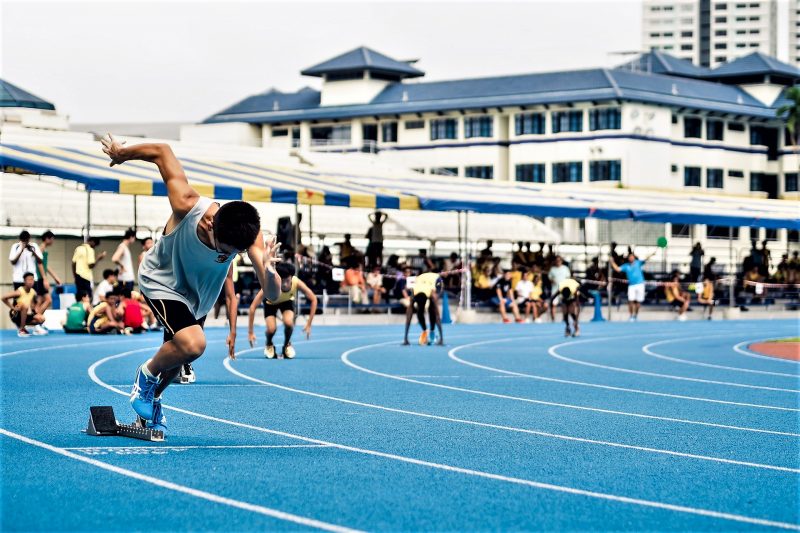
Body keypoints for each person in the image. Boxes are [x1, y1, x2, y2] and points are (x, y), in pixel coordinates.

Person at [101, 134, 281, 436]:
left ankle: (153, 398)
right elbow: (162, 151)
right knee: (194, 344)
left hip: (197, 296)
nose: (228, 255)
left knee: (178, 353)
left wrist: (271, 271)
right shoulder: (187, 204)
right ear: (211, 224)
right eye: (224, 249)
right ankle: (144, 375)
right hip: (161, 281)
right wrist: (123, 153)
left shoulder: (248, 236)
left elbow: (273, 295)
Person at [248, 262, 318, 359]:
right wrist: (250, 332)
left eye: (287, 280)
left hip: (287, 302)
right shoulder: (269, 284)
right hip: (270, 303)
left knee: (289, 323)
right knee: (271, 329)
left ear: (291, 278)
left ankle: (287, 345)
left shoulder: (296, 282)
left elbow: (314, 299)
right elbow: (252, 307)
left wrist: (309, 324)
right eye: (282, 281)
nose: (284, 284)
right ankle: (269, 343)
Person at [610, 250, 656, 322]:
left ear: (634, 258)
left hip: (640, 285)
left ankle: (636, 316)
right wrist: (612, 262)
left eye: (632, 257)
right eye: (629, 257)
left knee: (638, 301)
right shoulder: (626, 266)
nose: (631, 258)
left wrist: (652, 254)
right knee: (630, 301)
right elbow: (617, 269)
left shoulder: (638, 263)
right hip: (631, 286)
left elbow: (646, 258)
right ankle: (631, 316)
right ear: (628, 258)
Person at [403, 271, 444, 346]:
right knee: (419, 311)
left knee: (432, 309)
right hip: (421, 280)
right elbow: (409, 315)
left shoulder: (431, 293)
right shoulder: (414, 292)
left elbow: (437, 315)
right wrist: (405, 339)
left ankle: (432, 331)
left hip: (437, 280)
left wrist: (442, 340)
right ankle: (425, 330)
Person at [2, 272, 46, 337]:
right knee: (23, 305)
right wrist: (12, 308)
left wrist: (35, 310)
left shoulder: (33, 292)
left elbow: (36, 303)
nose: (31, 282)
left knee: (41, 318)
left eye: (32, 280)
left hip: (26, 314)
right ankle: (21, 329)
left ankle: (31, 327)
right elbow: (3, 298)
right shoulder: (19, 291)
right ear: (25, 281)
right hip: (15, 314)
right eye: (29, 280)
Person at [35, 230, 62, 315]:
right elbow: (39, 264)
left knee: (40, 300)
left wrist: (55, 277)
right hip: (39, 278)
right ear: (47, 239)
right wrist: (44, 279)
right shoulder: (41, 248)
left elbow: (45, 265)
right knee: (47, 300)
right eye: (52, 239)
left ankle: (36, 320)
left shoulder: (44, 249)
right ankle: (37, 319)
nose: (53, 241)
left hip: (41, 277)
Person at [547, 256, 571, 320]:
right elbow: (549, 278)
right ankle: (553, 319)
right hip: (555, 289)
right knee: (553, 304)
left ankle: (564, 318)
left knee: (564, 304)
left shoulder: (565, 268)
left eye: (559, 260)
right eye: (557, 260)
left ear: (561, 261)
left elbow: (568, 278)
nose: (558, 262)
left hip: (563, 289)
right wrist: (553, 280)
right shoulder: (552, 269)